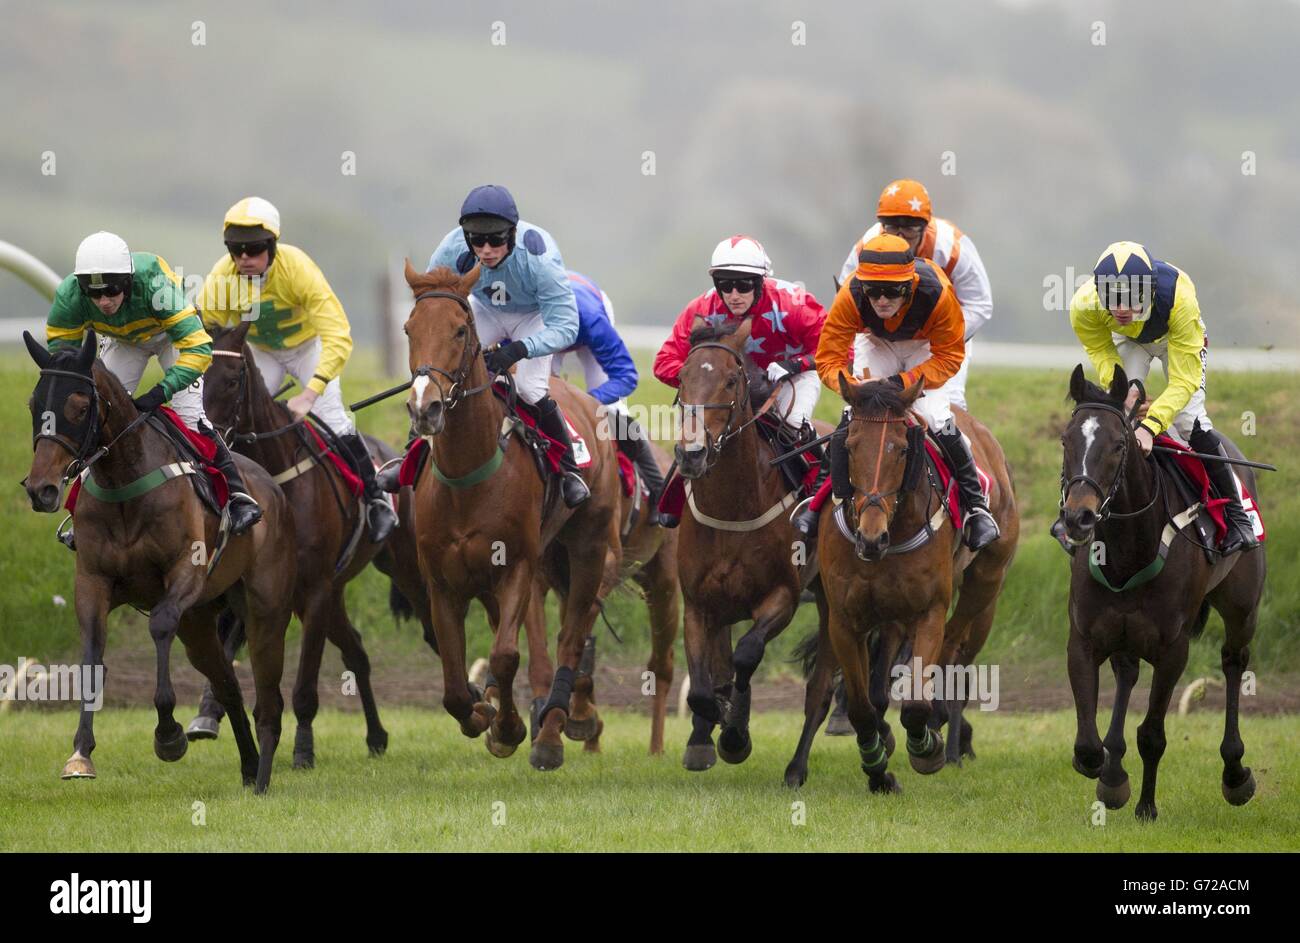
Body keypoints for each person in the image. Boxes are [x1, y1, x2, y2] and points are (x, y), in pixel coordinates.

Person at [199, 196, 398, 542]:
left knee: (333, 418)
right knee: (234, 419)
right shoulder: (220, 279)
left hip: (307, 350)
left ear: (272, 246)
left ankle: (376, 499)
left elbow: (338, 335)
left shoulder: (299, 269)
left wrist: (310, 393)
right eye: (236, 250)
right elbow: (204, 330)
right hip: (262, 353)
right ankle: (228, 499)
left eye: (255, 249)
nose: (244, 258)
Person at [45, 232, 262, 545]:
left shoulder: (154, 283)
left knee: (191, 417)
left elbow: (199, 350)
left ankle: (238, 497)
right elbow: (62, 355)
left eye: (112, 290)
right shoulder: (69, 295)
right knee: (94, 417)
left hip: (171, 337)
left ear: (129, 281)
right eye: (94, 293)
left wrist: (162, 391)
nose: (104, 301)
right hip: (125, 342)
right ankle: (80, 512)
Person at [797, 233, 999, 549]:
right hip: (877, 344)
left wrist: (902, 383)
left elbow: (951, 356)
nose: (881, 300)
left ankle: (976, 506)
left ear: (910, 284)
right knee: (853, 415)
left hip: (925, 349)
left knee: (936, 416)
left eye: (892, 291)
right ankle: (816, 504)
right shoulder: (850, 295)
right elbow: (829, 358)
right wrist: (850, 388)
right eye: (873, 291)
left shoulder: (938, 292)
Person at [1069, 240, 1257, 553]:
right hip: (1129, 342)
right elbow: (1101, 351)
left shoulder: (1180, 300)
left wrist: (1150, 426)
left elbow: (1184, 381)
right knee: (1117, 413)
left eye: (1131, 297)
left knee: (1188, 423)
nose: (1122, 309)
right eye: (1113, 298)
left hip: (1174, 337)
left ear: (1151, 291)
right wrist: (1122, 393)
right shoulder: (1083, 306)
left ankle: (1239, 518)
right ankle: (1076, 514)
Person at [423, 184, 589, 508]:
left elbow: (567, 327)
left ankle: (568, 470)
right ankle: (413, 456)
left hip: (533, 316)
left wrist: (518, 349)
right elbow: (433, 303)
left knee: (528, 388)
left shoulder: (540, 258)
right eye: (477, 240)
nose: (486, 250)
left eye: (496, 240)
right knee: (441, 378)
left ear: (512, 234)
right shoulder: (449, 249)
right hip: (484, 310)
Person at [654, 235, 827, 524]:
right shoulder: (701, 309)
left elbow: (837, 350)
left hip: (788, 378)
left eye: (744, 285)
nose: (734, 294)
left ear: (761, 282)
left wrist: (796, 364)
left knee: (792, 422)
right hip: (727, 383)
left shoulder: (794, 303)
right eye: (724, 284)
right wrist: (701, 382)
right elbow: (664, 363)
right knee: (697, 432)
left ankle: (814, 498)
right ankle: (675, 498)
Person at [838, 179, 992, 411]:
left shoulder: (952, 247)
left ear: (925, 225)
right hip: (881, 338)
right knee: (859, 405)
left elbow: (979, 305)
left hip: (937, 339)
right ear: (881, 225)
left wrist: (943, 335)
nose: (900, 237)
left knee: (948, 408)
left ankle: (962, 446)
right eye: (891, 227)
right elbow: (845, 297)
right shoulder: (866, 246)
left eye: (909, 228)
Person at [552, 270, 665, 523]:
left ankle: (657, 490)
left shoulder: (592, 320)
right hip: (546, 334)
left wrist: (588, 401)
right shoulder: (527, 314)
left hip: (591, 312)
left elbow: (626, 376)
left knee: (613, 411)